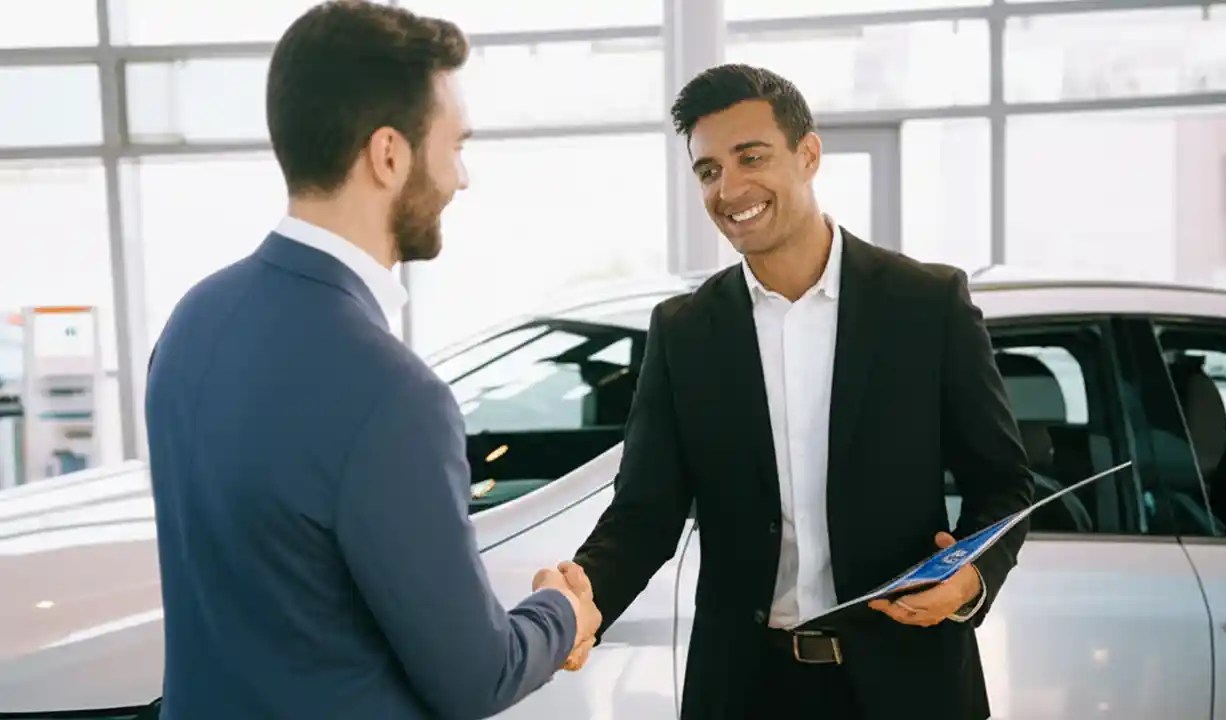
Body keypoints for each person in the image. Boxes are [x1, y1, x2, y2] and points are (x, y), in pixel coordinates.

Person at [144, 3, 598, 718]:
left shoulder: (193, 319)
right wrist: (561, 612)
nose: (462, 178)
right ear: (389, 154)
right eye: (454, 146)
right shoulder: (392, 394)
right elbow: (476, 677)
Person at [555, 64, 1034, 719]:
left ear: (808, 155)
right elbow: (645, 513)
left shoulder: (926, 305)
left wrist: (973, 577)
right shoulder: (685, 332)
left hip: (908, 684)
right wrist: (583, 599)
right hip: (747, 690)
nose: (730, 188)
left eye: (751, 157)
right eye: (708, 170)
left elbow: (1003, 483)